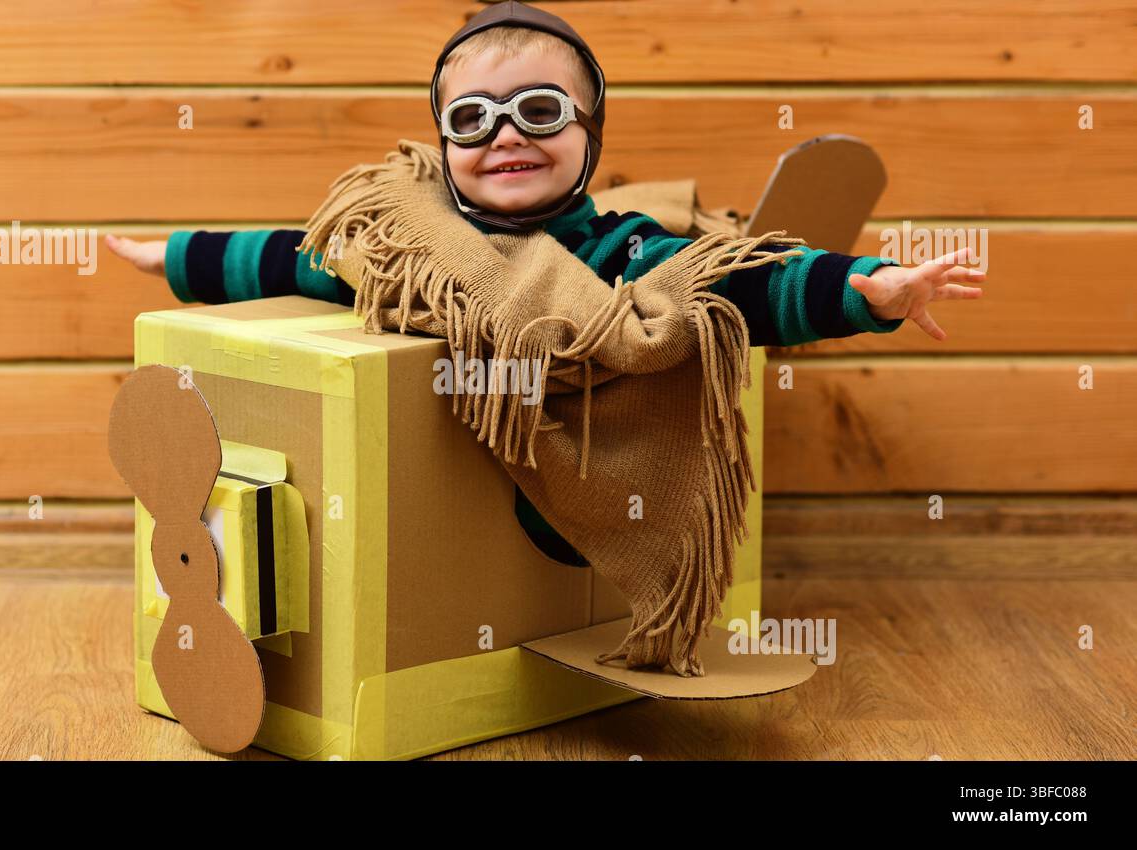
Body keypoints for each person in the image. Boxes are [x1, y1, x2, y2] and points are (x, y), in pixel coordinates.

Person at [106, 0, 984, 566]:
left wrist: (866, 289)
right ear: (444, 143)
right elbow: (297, 253)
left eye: (538, 111)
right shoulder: (413, 253)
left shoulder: (614, 246)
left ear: (589, 130)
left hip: (558, 483)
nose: (505, 136)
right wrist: (176, 256)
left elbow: (734, 288)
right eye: (472, 119)